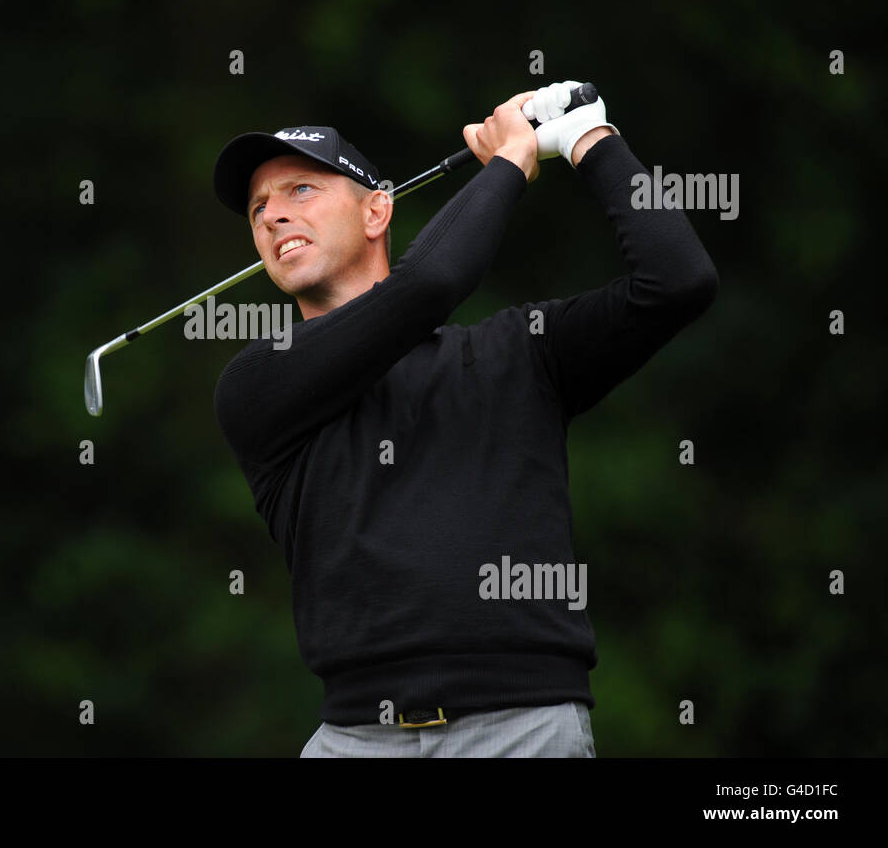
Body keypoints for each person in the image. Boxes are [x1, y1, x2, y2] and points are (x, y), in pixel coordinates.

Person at [210, 83, 718, 757]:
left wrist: (591, 141)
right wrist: (511, 160)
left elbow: (678, 279)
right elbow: (427, 286)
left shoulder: (520, 351)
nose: (272, 215)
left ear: (377, 211)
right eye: (258, 208)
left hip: (524, 728)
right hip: (354, 740)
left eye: (300, 190)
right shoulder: (257, 385)